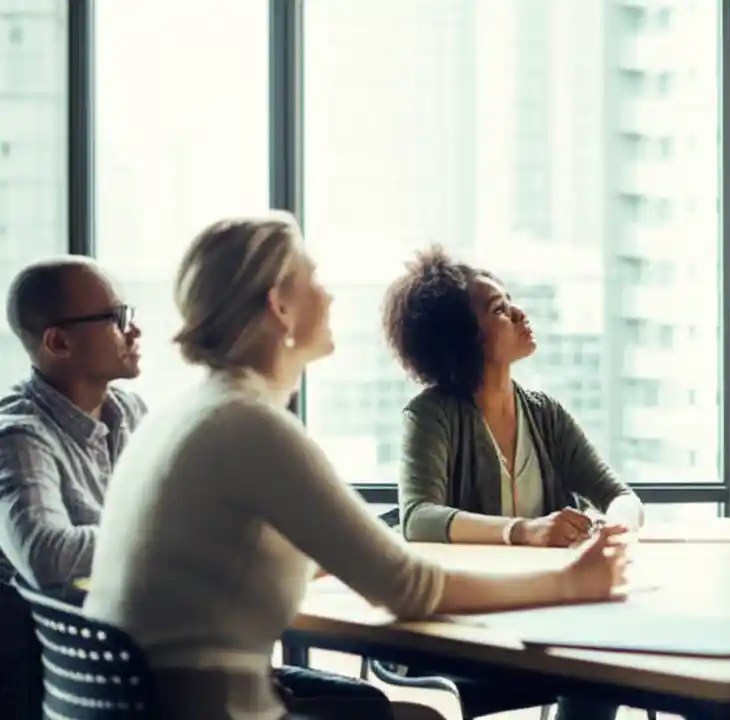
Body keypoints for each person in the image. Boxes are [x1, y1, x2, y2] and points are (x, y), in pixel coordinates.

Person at [83, 214, 628, 720]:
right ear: (280, 305)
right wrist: (568, 580)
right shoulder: (248, 425)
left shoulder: (191, 414)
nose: (330, 293)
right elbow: (408, 587)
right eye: (314, 278)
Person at [383, 247, 644, 719]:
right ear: (466, 339)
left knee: (607, 665)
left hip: (547, 610)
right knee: (596, 666)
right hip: (466, 624)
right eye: (500, 310)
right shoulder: (430, 415)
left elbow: (620, 496)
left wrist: (614, 531)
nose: (520, 313)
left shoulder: (545, 413)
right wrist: (523, 530)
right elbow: (417, 518)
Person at [0, 257, 145, 719]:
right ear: (59, 342)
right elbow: (46, 554)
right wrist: (166, 538)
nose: (135, 331)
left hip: (136, 652)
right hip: (62, 684)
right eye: (118, 318)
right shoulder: (18, 435)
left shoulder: (130, 412)